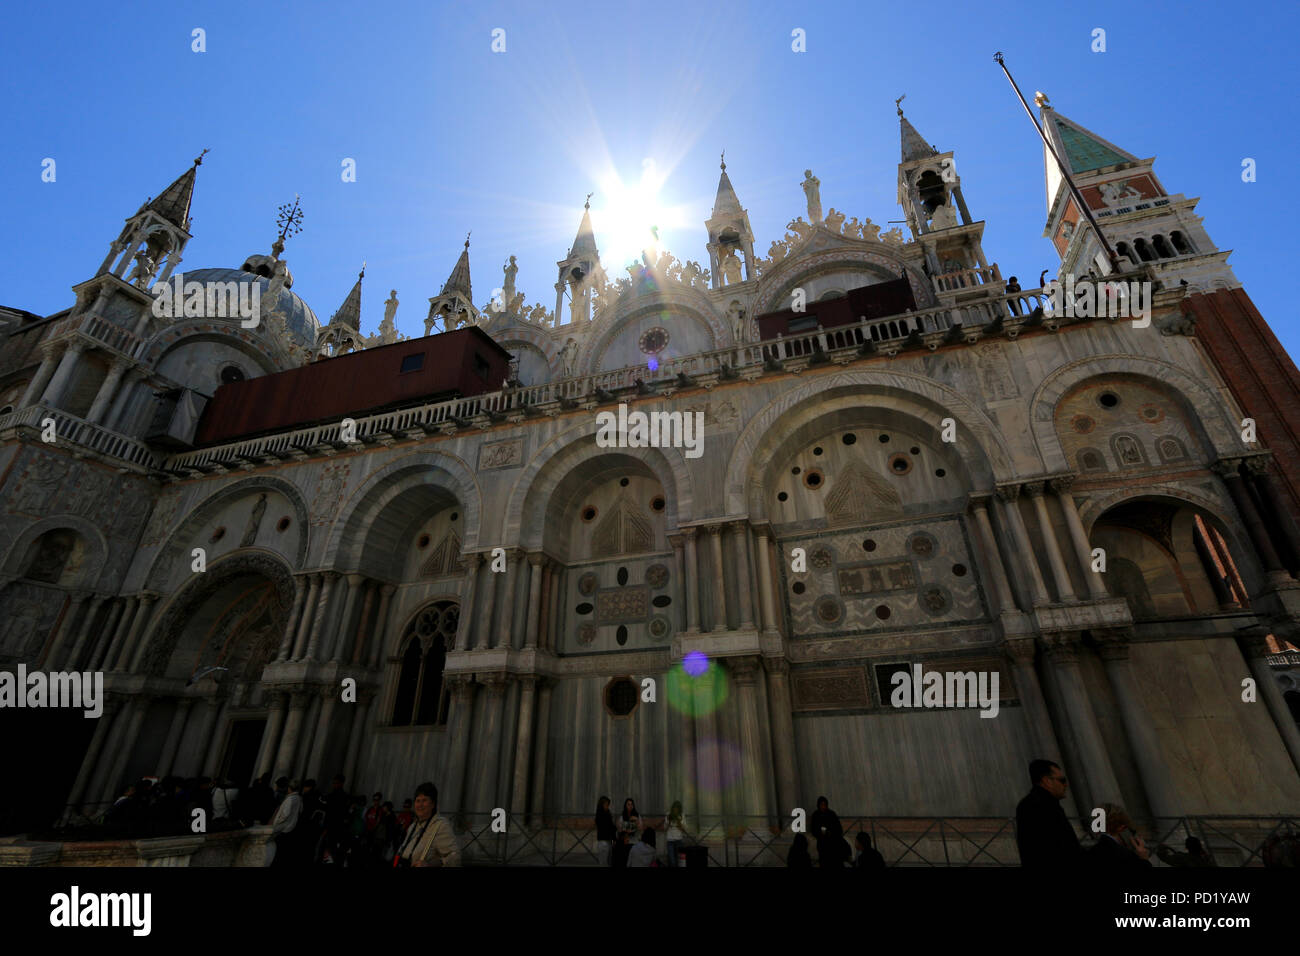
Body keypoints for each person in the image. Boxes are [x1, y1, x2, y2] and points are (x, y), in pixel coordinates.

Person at [1015, 760, 1083, 867]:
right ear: (1047, 781)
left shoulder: (1036, 803)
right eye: (1062, 780)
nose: (1066, 785)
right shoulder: (1044, 805)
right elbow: (1062, 847)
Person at [394, 782, 461, 867]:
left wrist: (430, 864)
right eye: (417, 801)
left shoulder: (441, 826)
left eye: (424, 800)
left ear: (433, 804)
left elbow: (455, 857)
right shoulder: (413, 826)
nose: (420, 805)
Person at [1087, 804, 1152, 870]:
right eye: (1130, 830)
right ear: (1121, 827)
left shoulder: (1093, 851)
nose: (1135, 836)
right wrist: (1144, 859)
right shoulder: (1125, 855)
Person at [268, 779, 302, 867]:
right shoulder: (299, 798)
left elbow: (285, 814)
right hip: (291, 827)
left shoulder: (290, 799)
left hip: (283, 828)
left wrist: (276, 823)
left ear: (289, 788)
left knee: (277, 850)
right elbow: (301, 811)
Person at [810, 796, 843, 867]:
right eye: (821, 805)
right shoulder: (816, 815)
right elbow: (813, 829)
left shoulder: (831, 814)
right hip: (822, 844)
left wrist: (830, 832)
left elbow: (838, 829)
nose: (823, 807)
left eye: (824, 805)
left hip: (833, 844)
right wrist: (820, 833)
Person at [615, 798, 641, 868]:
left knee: (633, 862)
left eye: (631, 804)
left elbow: (640, 828)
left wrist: (636, 820)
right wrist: (624, 829)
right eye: (628, 804)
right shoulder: (622, 816)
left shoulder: (637, 815)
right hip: (624, 842)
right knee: (625, 861)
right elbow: (618, 830)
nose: (630, 806)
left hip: (634, 842)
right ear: (625, 806)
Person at [595, 796, 616, 866]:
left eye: (608, 805)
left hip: (608, 840)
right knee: (603, 862)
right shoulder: (600, 814)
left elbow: (611, 827)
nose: (607, 807)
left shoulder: (607, 813)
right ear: (602, 805)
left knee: (608, 861)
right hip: (603, 841)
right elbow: (607, 827)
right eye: (606, 805)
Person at [665, 801, 686, 867]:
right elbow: (665, 828)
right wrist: (669, 821)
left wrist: (678, 821)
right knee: (672, 861)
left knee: (679, 860)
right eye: (674, 808)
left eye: (677, 808)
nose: (675, 809)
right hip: (670, 840)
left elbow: (684, 829)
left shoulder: (682, 815)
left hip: (679, 840)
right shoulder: (668, 814)